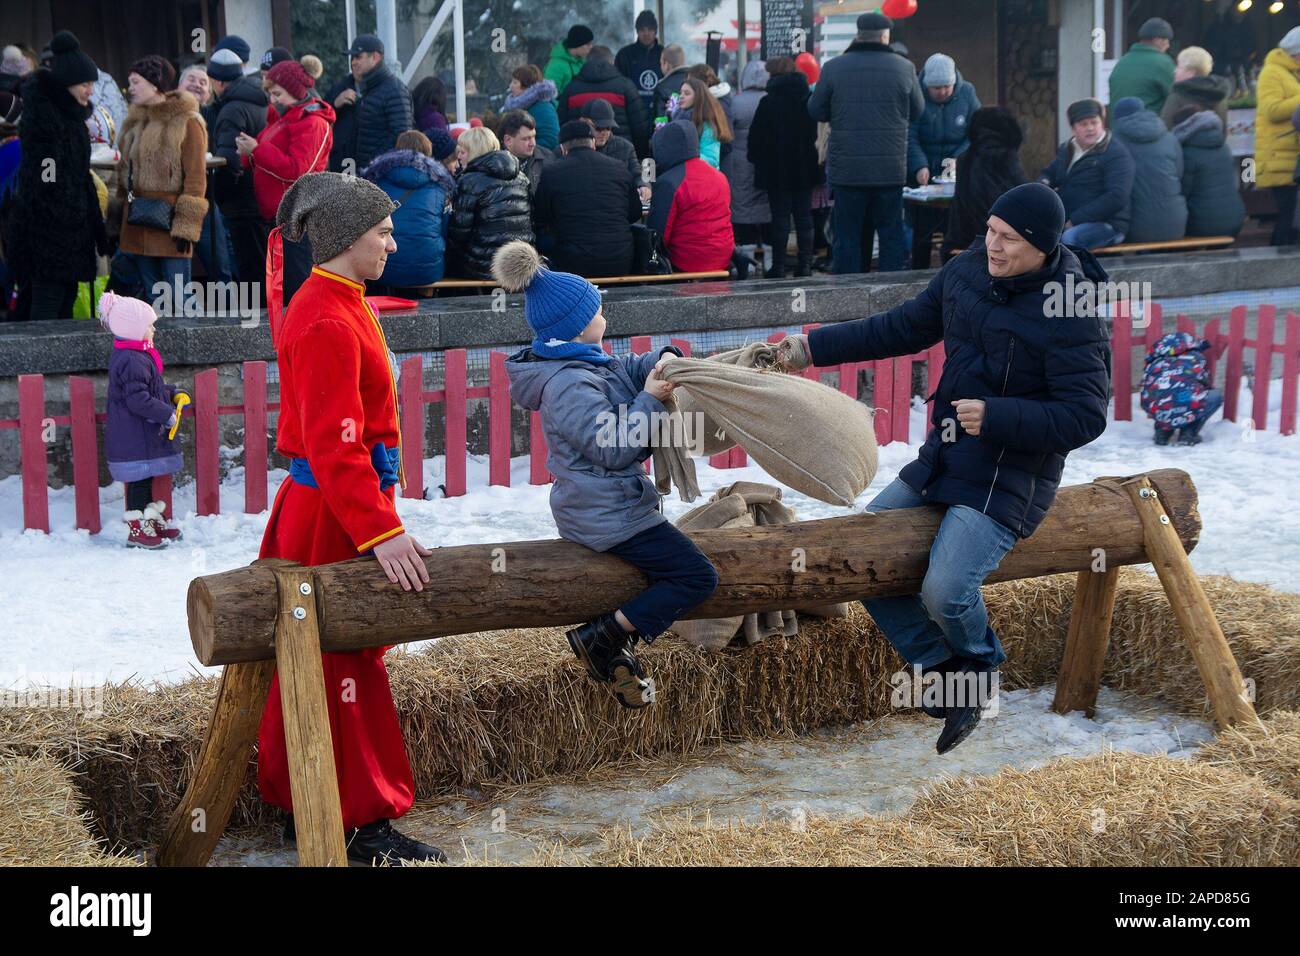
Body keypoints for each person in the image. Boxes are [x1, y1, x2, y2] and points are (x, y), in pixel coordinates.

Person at [775, 183, 1110, 754]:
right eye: (990, 231)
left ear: (1041, 246)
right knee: (864, 563)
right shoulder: (966, 272)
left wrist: (1000, 416)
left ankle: (979, 667)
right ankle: (942, 671)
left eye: (1008, 239)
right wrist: (812, 349)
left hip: (1011, 475)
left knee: (947, 589)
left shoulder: (1070, 310)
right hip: (945, 458)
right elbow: (903, 326)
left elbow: (1085, 415)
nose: (993, 246)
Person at [260, 171, 445, 865]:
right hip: (333, 514)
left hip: (335, 508)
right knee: (345, 661)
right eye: (384, 232)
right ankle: (359, 820)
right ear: (343, 239)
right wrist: (381, 529)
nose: (394, 244)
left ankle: (304, 800)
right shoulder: (327, 316)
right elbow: (337, 446)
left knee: (318, 659)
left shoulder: (341, 299)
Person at [500, 241, 718, 709]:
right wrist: (652, 400)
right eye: (596, 306)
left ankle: (611, 649)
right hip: (603, 514)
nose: (603, 309)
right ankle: (604, 635)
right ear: (579, 327)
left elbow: (627, 371)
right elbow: (613, 447)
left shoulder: (584, 360)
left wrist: (664, 358)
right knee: (697, 577)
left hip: (610, 505)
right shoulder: (567, 384)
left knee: (665, 574)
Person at [3, 31, 107, 322]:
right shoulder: (44, 118)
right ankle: (38, 366)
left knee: (65, 298)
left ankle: (57, 365)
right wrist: (62, 206)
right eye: (85, 84)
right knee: (47, 301)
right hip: (49, 229)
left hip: (71, 228)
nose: (90, 90)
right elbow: (45, 172)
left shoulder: (71, 116)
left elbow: (78, 173)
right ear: (67, 84)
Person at [808, 12, 923, 274]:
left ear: (858, 35)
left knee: (847, 238)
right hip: (890, 171)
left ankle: (849, 299)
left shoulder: (834, 67)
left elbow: (816, 110)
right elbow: (917, 111)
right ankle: (892, 298)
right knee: (890, 236)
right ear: (885, 36)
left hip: (848, 173)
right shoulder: (904, 68)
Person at [111, 55, 208, 304]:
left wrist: (187, 225)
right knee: (153, 298)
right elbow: (122, 176)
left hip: (171, 225)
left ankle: (193, 343)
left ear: (155, 84)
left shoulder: (187, 121)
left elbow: (196, 179)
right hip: (137, 222)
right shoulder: (134, 122)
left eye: (135, 82)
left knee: (180, 296)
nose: (130, 88)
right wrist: (114, 222)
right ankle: (160, 344)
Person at [240, 59, 335, 305]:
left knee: (297, 281)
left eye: (277, 93)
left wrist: (256, 150)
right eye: (270, 94)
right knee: (287, 285)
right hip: (282, 215)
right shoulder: (286, 118)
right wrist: (250, 152)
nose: (273, 100)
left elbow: (297, 169)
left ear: (295, 91)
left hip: (298, 214)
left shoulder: (313, 122)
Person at [98, 291, 187, 548]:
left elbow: (150, 389)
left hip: (140, 435)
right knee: (137, 483)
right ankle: (137, 529)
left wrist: (171, 393)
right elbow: (137, 399)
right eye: (149, 326)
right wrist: (166, 414)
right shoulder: (132, 359)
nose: (153, 330)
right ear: (134, 329)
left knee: (145, 479)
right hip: (134, 436)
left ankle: (151, 520)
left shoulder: (138, 354)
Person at [533, 119, 641, 278]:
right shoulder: (619, 167)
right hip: (621, 260)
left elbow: (542, 217)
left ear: (563, 148)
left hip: (572, 262)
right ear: (593, 143)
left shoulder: (551, 172)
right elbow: (634, 213)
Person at [748, 56, 820, 278]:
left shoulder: (768, 102)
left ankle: (778, 266)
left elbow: (755, 140)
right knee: (804, 218)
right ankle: (805, 265)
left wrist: (759, 161)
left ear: (774, 76)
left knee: (779, 219)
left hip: (776, 171)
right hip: (804, 168)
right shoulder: (808, 98)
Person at [907, 53, 980, 269]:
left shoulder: (967, 92)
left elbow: (976, 131)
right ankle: (917, 273)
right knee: (922, 232)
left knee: (955, 230)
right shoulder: (916, 95)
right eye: (936, 88)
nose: (942, 92)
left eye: (947, 87)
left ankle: (954, 271)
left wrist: (959, 158)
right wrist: (919, 165)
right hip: (924, 175)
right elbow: (910, 135)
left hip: (956, 175)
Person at [207, 47, 269, 286]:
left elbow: (228, 161)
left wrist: (218, 196)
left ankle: (256, 323)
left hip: (242, 204)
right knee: (265, 268)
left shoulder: (232, 109)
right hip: (261, 196)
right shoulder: (261, 99)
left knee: (251, 273)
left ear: (218, 81)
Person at [361, 129, 453, 287]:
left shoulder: (376, 179)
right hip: (428, 270)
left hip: (383, 268)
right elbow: (444, 229)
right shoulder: (440, 185)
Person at [1039, 98, 1134, 249]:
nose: (1090, 128)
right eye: (1083, 124)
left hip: (1107, 225)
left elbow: (1117, 196)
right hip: (1068, 220)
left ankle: (1070, 274)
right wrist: (1043, 184)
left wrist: (1075, 220)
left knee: (1070, 239)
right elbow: (1049, 173)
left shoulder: (1115, 153)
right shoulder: (1068, 149)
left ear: (1102, 123)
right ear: (1073, 129)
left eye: (1094, 122)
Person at [446, 126, 533, 279]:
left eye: (463, 152)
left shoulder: (469, 181)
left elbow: (459, 233)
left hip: (483, 266)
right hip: (518, 264)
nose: (459, 157)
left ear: (475, 152)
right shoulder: (522, 177)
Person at [647, 119, 733, 273]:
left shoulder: (669, 182)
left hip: (687, 261)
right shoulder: (720, 177)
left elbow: (658, 234)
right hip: (722, 257)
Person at [942, 107, 1026, 259]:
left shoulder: (964, 159)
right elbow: (1022, 201)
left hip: (960, 247)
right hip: (999, 250)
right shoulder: (1005, 158)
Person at [326, 34, 413, 173]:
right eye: (352, 58)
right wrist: (335, 104)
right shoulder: (351, 86)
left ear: (375, 57)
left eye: (358, 57)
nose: (353, 62)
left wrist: (375, 163)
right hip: (352, 173)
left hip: (380, 174)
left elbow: (402, 136)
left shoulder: (394, 90)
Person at [1109, 97, 1185, 244]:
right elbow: (1180, 174)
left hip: (1133, 229)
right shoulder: (1170, 138)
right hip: (1175, 225)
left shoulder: (1114, 142)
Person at [558, 45, 650, 159]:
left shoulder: (571, 89)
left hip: (581, 158)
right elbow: (640, 127)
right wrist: (638, 156)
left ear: (586, 61)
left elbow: (562, 125)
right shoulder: (626, 86)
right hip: (620, 157)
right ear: (612, 61)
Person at [1254, 27, 1300, 246]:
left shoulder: (1293, 71)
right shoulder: (1272, 72)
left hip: (1292, 155)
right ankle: (1276, 266)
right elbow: (1271, 109)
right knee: (1288, 216)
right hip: (1280, 155)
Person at [1172, 105, 1245, 238]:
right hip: (1236, 218)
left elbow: (1182, 193)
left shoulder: (1188, 154)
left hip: (1203, 224)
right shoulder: (1224, 147)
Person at [1141, 332, 1222, 447]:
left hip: (1157, 409)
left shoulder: (1153, 363)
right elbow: (1204, 384)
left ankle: (1162, 431)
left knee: (1160, 398)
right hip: (1187, 406)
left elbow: (1145, 389)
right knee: (1214, 396)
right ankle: (1188, 432)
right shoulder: (1195, 358)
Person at [727, 59, 769, 256]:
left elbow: (726, 133)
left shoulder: (735, 102)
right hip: (764, 162)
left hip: (739, 162)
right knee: (766, 204)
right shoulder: (770, 99)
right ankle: (769, 257)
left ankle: (747, 260)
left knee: (742, 204)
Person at [1108, 17, 1175, 114]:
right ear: (1157, 40)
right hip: (1148, 126)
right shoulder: (1163, 62)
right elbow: (1176, 96)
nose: (1168, 45)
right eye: (1166, 40)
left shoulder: (1123, 61)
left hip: (1118, 126)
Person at [1161, 46, 1231, 131]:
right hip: (1214, 143)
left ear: (1191, 72)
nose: (1175, 71)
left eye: (1179, 67)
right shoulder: (1219, 95)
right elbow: (1223, 130)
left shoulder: (1177, 97)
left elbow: (1165, 129)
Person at [671, 77, 731, 170]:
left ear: (698, 97)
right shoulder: (676, 117)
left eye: (687, 93)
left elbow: (712, 159)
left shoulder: (707, 123)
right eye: (681, 92)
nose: (681, 96)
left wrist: (685, 155)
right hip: (680, 174)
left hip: (701, 177)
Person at [579, 99, 640, 192]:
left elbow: (638, 173)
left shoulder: (626, 147)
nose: (603, 133)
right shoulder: (569, 148)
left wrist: (644, 185)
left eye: (608, 127)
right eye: (598, 128)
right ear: (584, 123)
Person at [616, 9, 663, 115]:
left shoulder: (664, 53)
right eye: (642, 30)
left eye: (650, 29)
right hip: (632, 112)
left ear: (655, 31)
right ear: (637, 31)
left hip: (659, 112)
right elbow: (618, 86)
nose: (646, 33)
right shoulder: (624, 55)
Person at [503, 64, 559, 151]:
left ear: (526, 85)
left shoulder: (544, 108)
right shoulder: (516, 106)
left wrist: (524, 149)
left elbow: (551, 140)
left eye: (515, 82)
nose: (511, 86)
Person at [499, 109, 551, 198]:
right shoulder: (493, 165)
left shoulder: (548, 159)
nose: (533, 143)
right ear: (508, 140)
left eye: (534, 136)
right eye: (526, 139)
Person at [544, 25, 594, 97]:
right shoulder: (556, 66)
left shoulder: (582, 62)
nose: (591, 47)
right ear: (578, 44)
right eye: (588, 44)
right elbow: (549, 96)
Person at [652, 44, 689, 119]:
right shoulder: (696, 80)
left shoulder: (662, 87)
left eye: (661, 63)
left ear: (666, 63)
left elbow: (660, 120)